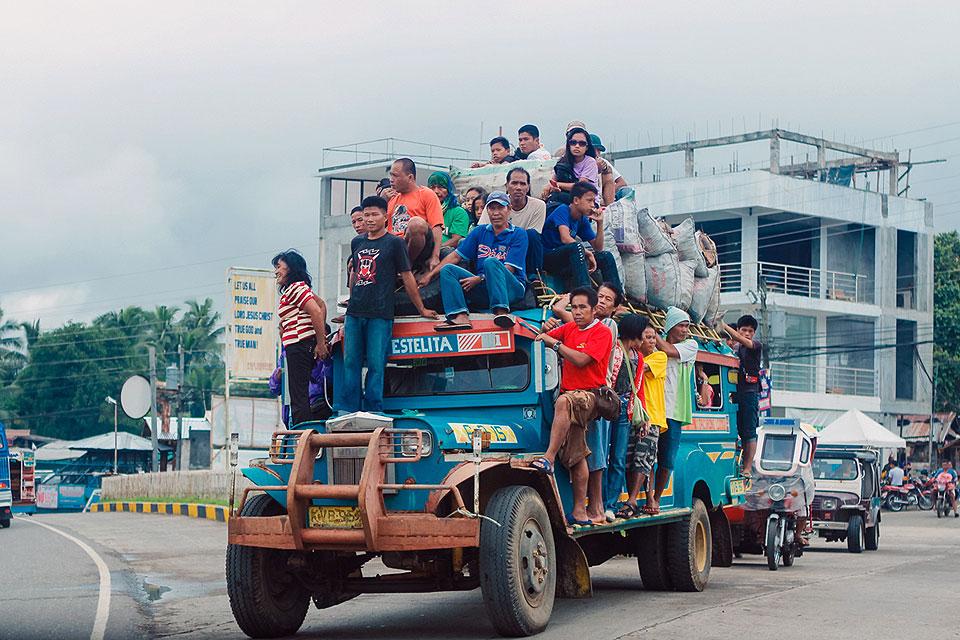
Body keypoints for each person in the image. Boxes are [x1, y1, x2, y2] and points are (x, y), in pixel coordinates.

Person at [342, 196, 436, 413]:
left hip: (381, 314)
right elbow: (356, 274)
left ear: (386, 216)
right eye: (366, 215)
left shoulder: (394, 243)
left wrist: (421, 308)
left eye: (375, 214)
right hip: (355, 313)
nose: (370, 219)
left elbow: (407, 276)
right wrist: (349, 301)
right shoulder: (357, 242)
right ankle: (348, 411)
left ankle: (374, 411)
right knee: (350, 365)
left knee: (376, 365)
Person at [531, 287, 613, 526]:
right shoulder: (569, 329)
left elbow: (580, 360)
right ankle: (579, 511)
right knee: (577, 455)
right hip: (572, 397)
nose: (576, 312)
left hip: (591, 397)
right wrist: (545, 330)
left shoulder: (602, 333)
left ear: (594, 309)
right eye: (573, 307)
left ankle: (549, 457)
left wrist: (554, 344)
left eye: (582, 308)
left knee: (563, 401)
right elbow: (541, 337)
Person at [420, 191, 528, 331]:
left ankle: (501, 312)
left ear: (509, 209)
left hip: (511, 288)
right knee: (448, 269)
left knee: (491, 262)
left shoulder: (518, 234)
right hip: (485, 289)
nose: (496, 213)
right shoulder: (480, 231)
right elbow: (455, 256)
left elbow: (509, 269)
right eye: (491, 208)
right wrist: (430, 275)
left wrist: (480, 278)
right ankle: (459, 316)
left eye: (500, 208)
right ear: (487, 211)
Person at [272, 250, 329, 426]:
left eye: (279, 267)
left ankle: (301, 433)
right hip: (298, 344)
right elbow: (320, 305)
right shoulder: (298, 289)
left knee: (298, 394)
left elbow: (315, 310)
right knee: (298, 393)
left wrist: (320, 342)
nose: (276, 271)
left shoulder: (296, 288)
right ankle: (302, 431)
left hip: (300, 344)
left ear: (291, 268)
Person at [619, 316, 668, 516]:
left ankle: (632, 500)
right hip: (633, 414)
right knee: (631, 459)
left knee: (644, 458)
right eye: (646, 337)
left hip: (652, 417)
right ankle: (637, 500)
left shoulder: (658, 357)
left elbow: (638, 368)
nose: (651, 341)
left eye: (653, 338)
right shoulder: (634, 355)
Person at [652, 307, 698, 509]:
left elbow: (669, 351)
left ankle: (656, 497)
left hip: (674, 412)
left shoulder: (691, 345)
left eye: (687, 325)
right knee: (646, 456)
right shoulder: (655, 343)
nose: (685, 330)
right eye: (681, 325)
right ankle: (646, 496)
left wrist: (651, 332)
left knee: (667, 458)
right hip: (654, 409)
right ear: (670, 326)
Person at [541, 181, 622, 291]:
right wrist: (586, 252)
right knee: (577, 247)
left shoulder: (582, 219)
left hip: (569, 258)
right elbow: (565, 238)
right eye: (589, 200)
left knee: (606, 256)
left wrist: (600, 223)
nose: (593, 205)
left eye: (594, 201)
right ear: (576, 200)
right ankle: (586, 294)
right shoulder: (563, 210)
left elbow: (598, 248)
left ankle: (617, 298)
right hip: (550, 258)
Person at [479, 167, 546, 278]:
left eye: (523, 184)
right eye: (514, 183)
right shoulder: (493, 205)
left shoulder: (539, 205)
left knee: (532, 235)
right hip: (496, 247)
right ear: (506, 186)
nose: (518, 188)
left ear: (528, 187)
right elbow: (483, 232)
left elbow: (532, 238)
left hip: (523, 248)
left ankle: (534, 277)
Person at [720, 315, 763, 474]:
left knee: (749, 432)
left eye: (750, 331)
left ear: (753, 334)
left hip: (749, 394)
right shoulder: (733, 349)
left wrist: (723, 325)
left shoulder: (755, 346)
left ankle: (747, 468)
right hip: (733, 393)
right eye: (743, 330)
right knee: (735, 430)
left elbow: (739, 339)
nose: (746, 333)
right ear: (738, 330)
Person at [387, 158, 444, 274]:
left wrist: (435, 256)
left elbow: (436, 227)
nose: (391, 180)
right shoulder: (392, 199)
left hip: (419, 247)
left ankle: (406, 266)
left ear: (410, 177)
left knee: (416, 224)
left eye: (395, 176)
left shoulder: (426, 194)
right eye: (391, 176)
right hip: (395, 245)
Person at [268, 347, 333, 426]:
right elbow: (274, 388)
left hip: (316, 407)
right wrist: (278, 376)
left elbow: (328, 380)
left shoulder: (320, 353)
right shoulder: (286, 355)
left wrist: (323, 360)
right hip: (292, 411)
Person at [542, 127, 601, 205]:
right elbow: (553, 181)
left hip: (588, 202)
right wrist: (549, 187)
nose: (577, 146)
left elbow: (580, 187)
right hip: (568, 198)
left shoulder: (590, 162)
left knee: (557, 198)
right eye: (573, 142)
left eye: (582, 143)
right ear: (568, 145)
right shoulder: (563, 161)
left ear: (587, 147)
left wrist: (559, 185)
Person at [427, 171, 470, 249]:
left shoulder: (459, 212)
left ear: (449, 189)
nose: (436, 191)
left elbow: (456, 240)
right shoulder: (423, 210)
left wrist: (435, 250)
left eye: (441, 187)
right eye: (432, 187)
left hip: (444, 251)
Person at [590, 133, 628, 205]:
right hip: (591, 200)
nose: (597, 153)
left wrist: (608, 193)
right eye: (595, 150)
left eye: (599, 150)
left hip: (604, 199)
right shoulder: (582, 163)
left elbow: (622, 183)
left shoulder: (604, 162)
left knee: (627, 191)